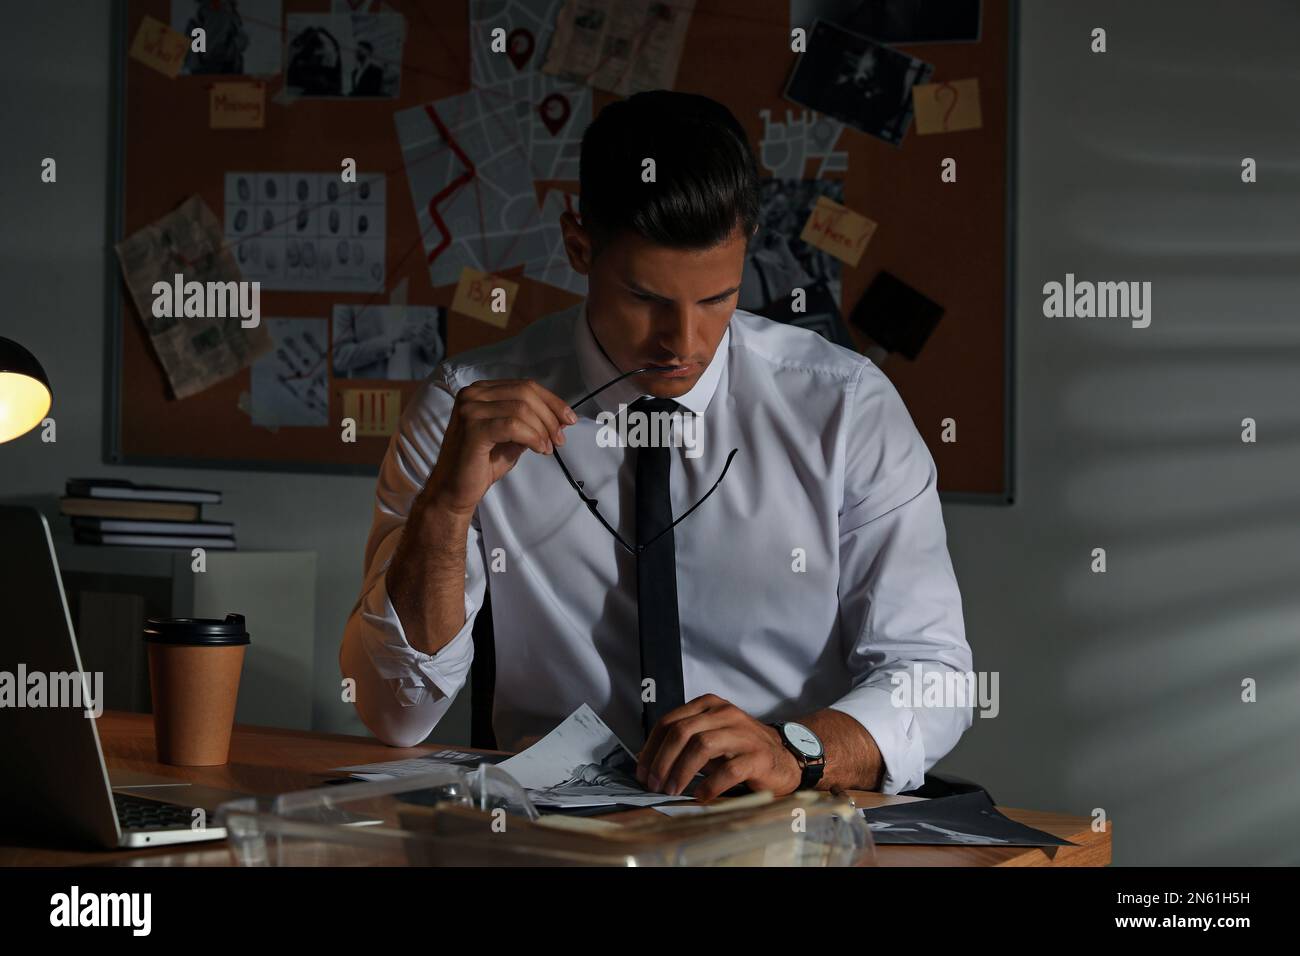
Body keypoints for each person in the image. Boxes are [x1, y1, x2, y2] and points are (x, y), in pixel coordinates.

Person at [340, 90, 972, 800]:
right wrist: (445, 511)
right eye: (646, 300)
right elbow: (394, 715)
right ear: (579, 247)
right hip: (557, 844)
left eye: (715, 300)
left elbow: (933, 674)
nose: (685, 344)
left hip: (779, 829)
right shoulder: (469, 404)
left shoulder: (845, 409)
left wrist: (795, 751)